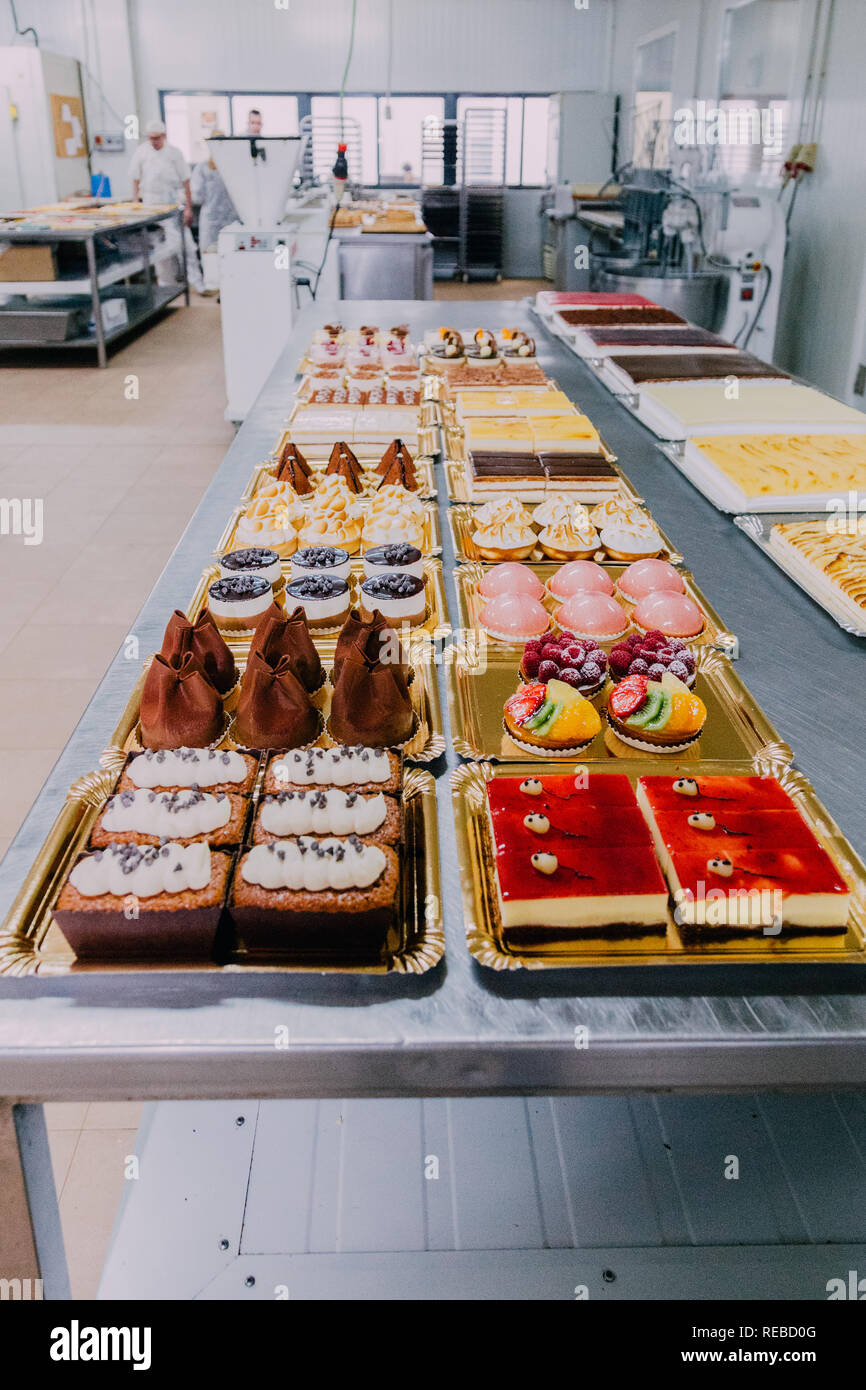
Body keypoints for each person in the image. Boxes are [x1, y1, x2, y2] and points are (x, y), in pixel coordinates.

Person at [129, 119, 204, 291]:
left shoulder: (174, 153)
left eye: (157, 138)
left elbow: (186, 181)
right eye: (151, 138)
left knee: (187, 245)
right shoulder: (141, 152)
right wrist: (135, 202)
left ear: (164, 136)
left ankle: (197, 283)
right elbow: (135, 178)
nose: (154, 142)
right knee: (161, 249)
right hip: (150, 205)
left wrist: (189, 208)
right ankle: (166, 285)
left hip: (171, 204)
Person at [190, 133, 238, 253]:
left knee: (228, 256)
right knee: (211, 256)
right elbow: (196, 197)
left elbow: (197, 197)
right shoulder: (203, 168)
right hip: (214, 223)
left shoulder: (232, 167)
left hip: (228, 221)